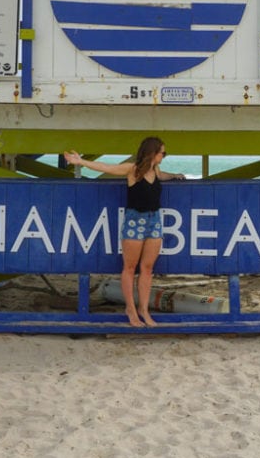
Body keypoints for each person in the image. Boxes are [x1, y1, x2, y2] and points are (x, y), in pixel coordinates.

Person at [63, 137, 185, 328]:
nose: (164, 156)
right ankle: (130, 309)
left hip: (154, 220)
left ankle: (144, 309)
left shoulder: (156, 169)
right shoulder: (132, 169)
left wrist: (176, 175)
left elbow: (162, 176)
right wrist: (81, 162)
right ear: (153, 153)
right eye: (163, 152)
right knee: (130, 267)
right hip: (135, 221)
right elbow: (107, 168)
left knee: (147, 268)